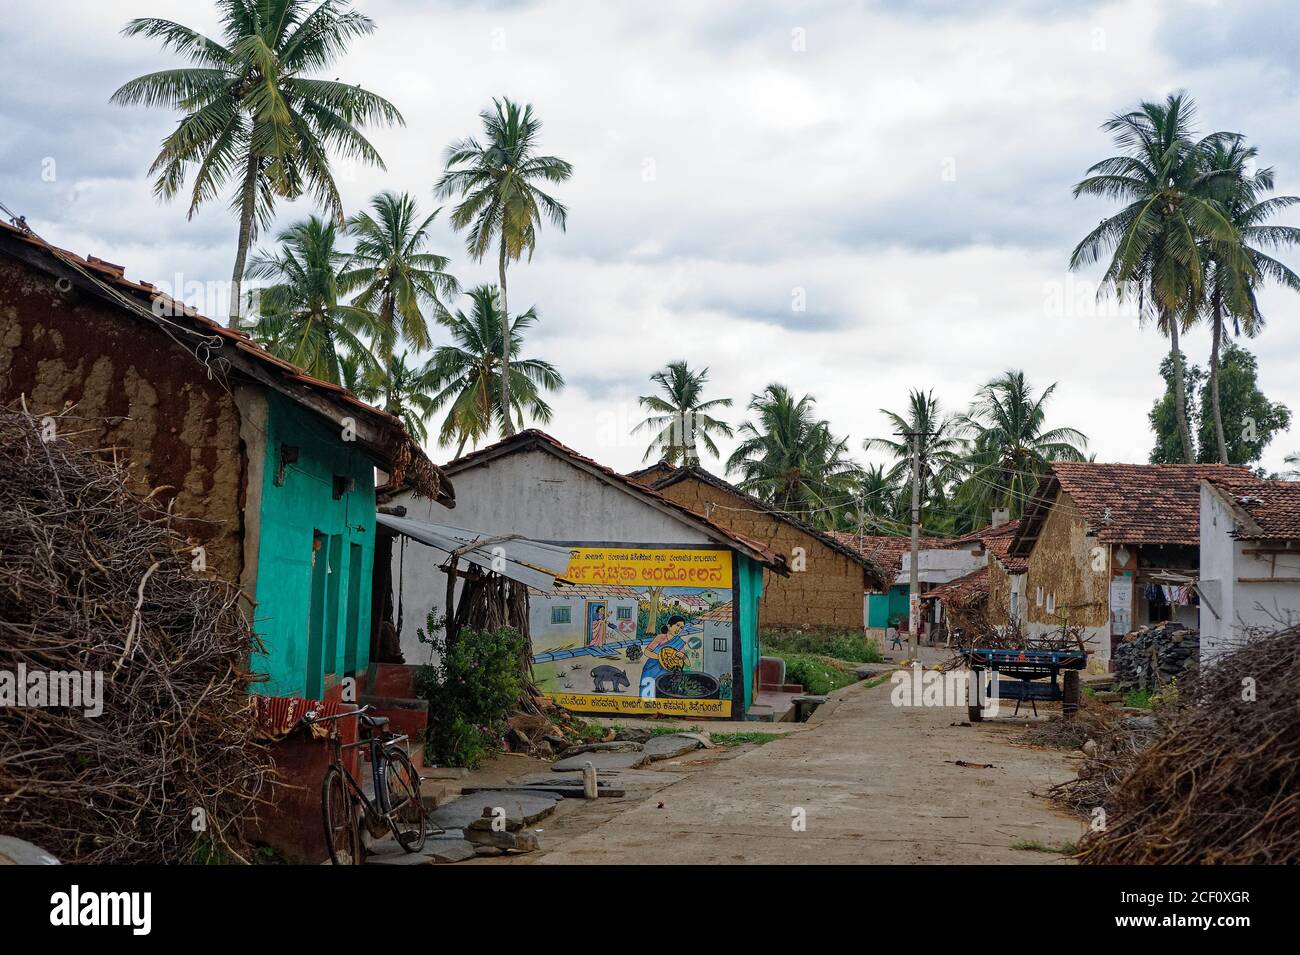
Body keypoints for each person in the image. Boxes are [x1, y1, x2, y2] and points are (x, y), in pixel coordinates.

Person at [639, 615, 687, 699]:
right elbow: (646, 652)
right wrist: (661, 657)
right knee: (647, 695)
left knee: (663, 693)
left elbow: (687, 663)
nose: (679, 629)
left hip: (667, 671)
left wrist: (683, 656)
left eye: (681, 628)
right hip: (651, 668)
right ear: (669, 626)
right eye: (677, 625)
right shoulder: (660, 637)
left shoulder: (679, 642)